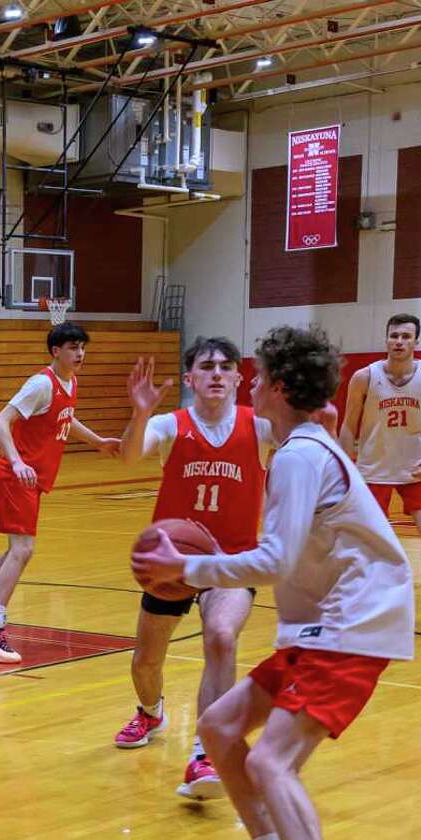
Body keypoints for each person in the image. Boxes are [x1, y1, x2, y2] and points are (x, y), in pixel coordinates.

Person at [132, 324, 415, 840]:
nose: (248, 386)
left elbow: (275, 558)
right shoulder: (301, 445)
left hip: (354, 625)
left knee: (271, 764)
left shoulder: (298, 455)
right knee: (220, 726)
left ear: (280, 387)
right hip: (323, 624)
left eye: (258, 378)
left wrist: (190, 569)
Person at [115, 338, 272, 799]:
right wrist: (140, 410)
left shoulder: (259, 427)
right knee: (146, 663)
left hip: (231, 560)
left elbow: (313, 437)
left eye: (226, 366)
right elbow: (128, 456)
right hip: (171, 562)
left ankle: (208, 752)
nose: (217, 374)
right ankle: (150, 711)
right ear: (190, 379)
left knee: (221, 638)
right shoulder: (171, 424)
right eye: (207, 367)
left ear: (240, 378)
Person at [0, 321, 121, 663]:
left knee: (13, 550)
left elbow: (65, 419)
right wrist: (15, 461)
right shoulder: (41, 382)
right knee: (23, 549)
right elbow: (0, 421)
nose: (80, 353)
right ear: (56, 351)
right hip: (19, 475)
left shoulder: (69, 382)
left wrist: (98, 441)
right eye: (73, 348)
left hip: (33, 477)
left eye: (83, 347)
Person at [340, 313, 421, 628]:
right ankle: (362, 598)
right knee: (367, 540)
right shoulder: (364, 377)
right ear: (386, 339)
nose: (399, 341)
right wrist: (344, 463)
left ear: (416, 342)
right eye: (394, 335)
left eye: (406, 336)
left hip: (414, 469)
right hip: (372, 468)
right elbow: (348, 425)